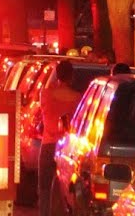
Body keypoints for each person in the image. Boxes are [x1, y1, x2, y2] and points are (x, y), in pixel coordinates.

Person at [38, 59, 83, 216]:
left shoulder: (45, 95)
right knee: (64, 192)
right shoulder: (78, 98)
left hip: (48, 144)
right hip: (66, 148)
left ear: (57, 74)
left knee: (44, 190)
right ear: (72, 76)